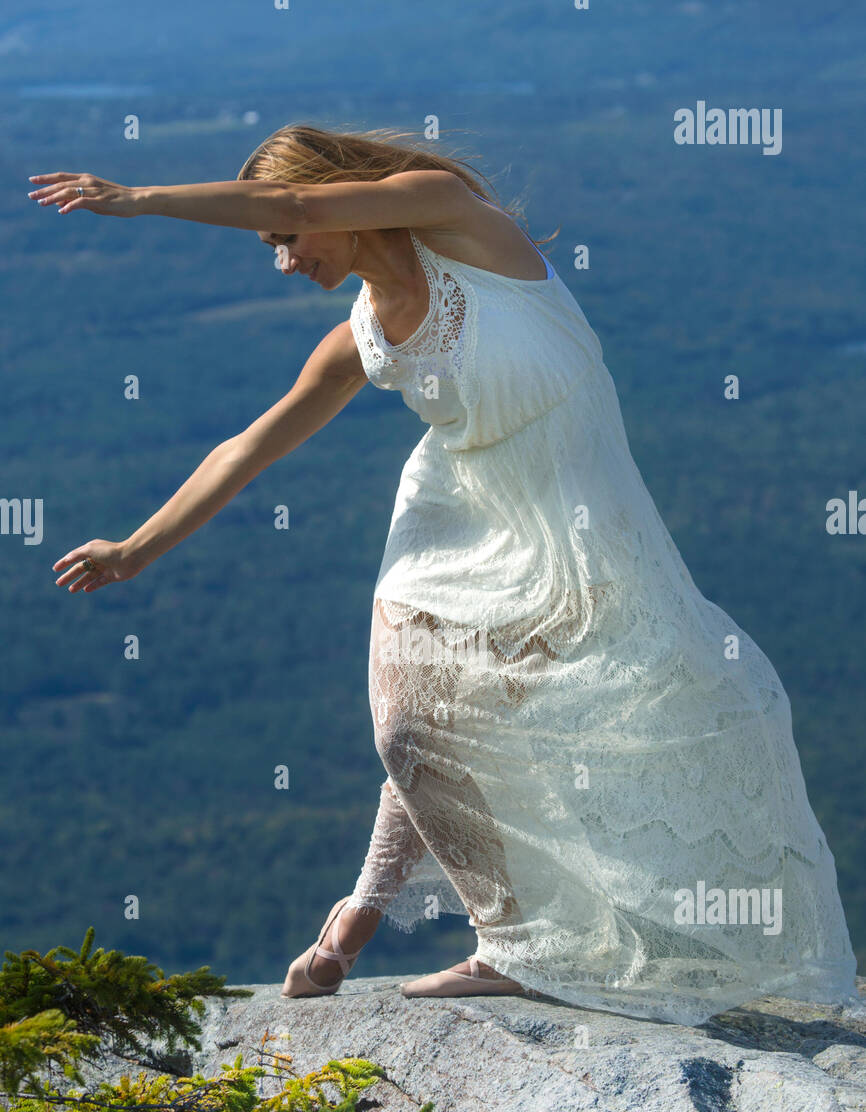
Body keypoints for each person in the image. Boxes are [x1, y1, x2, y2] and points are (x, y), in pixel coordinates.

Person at [35, 125, 858, 1025]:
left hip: (577, 518)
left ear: (335, 201)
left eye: (283, 243)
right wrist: (136, 548)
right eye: (273, 245)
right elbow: (249, 446)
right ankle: (508, 942)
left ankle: (362, 907)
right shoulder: (360, 337)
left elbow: (298, 202)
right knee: (407, 724)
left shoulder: (462, 224)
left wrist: (135, 199)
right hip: (452, 519)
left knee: (629, 712)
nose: (282, 260)